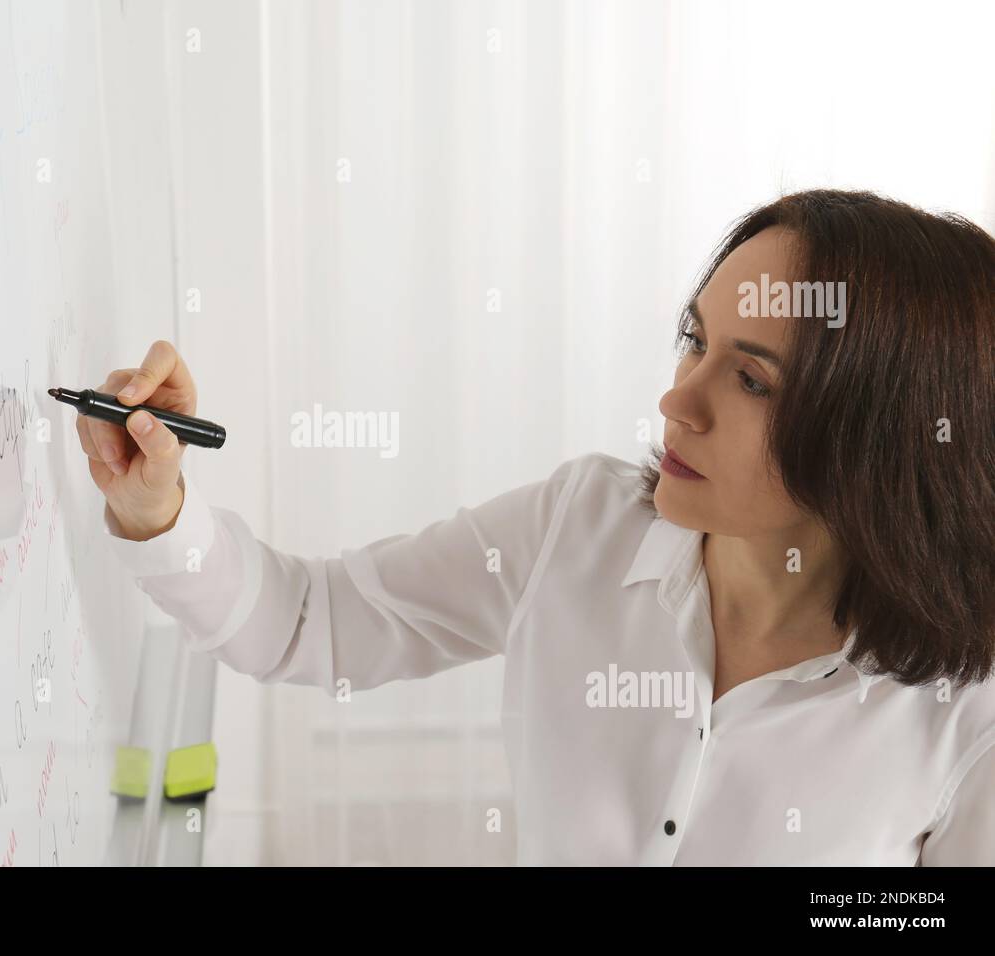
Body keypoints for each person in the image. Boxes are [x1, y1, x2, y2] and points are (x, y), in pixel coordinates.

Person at [70, 189, 995, 865]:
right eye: (694, 339)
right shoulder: (579, 528)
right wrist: (158, 509)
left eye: (750, 380)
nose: (677, 398)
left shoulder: (965, 712)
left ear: (876, 438)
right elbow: (311, 622)